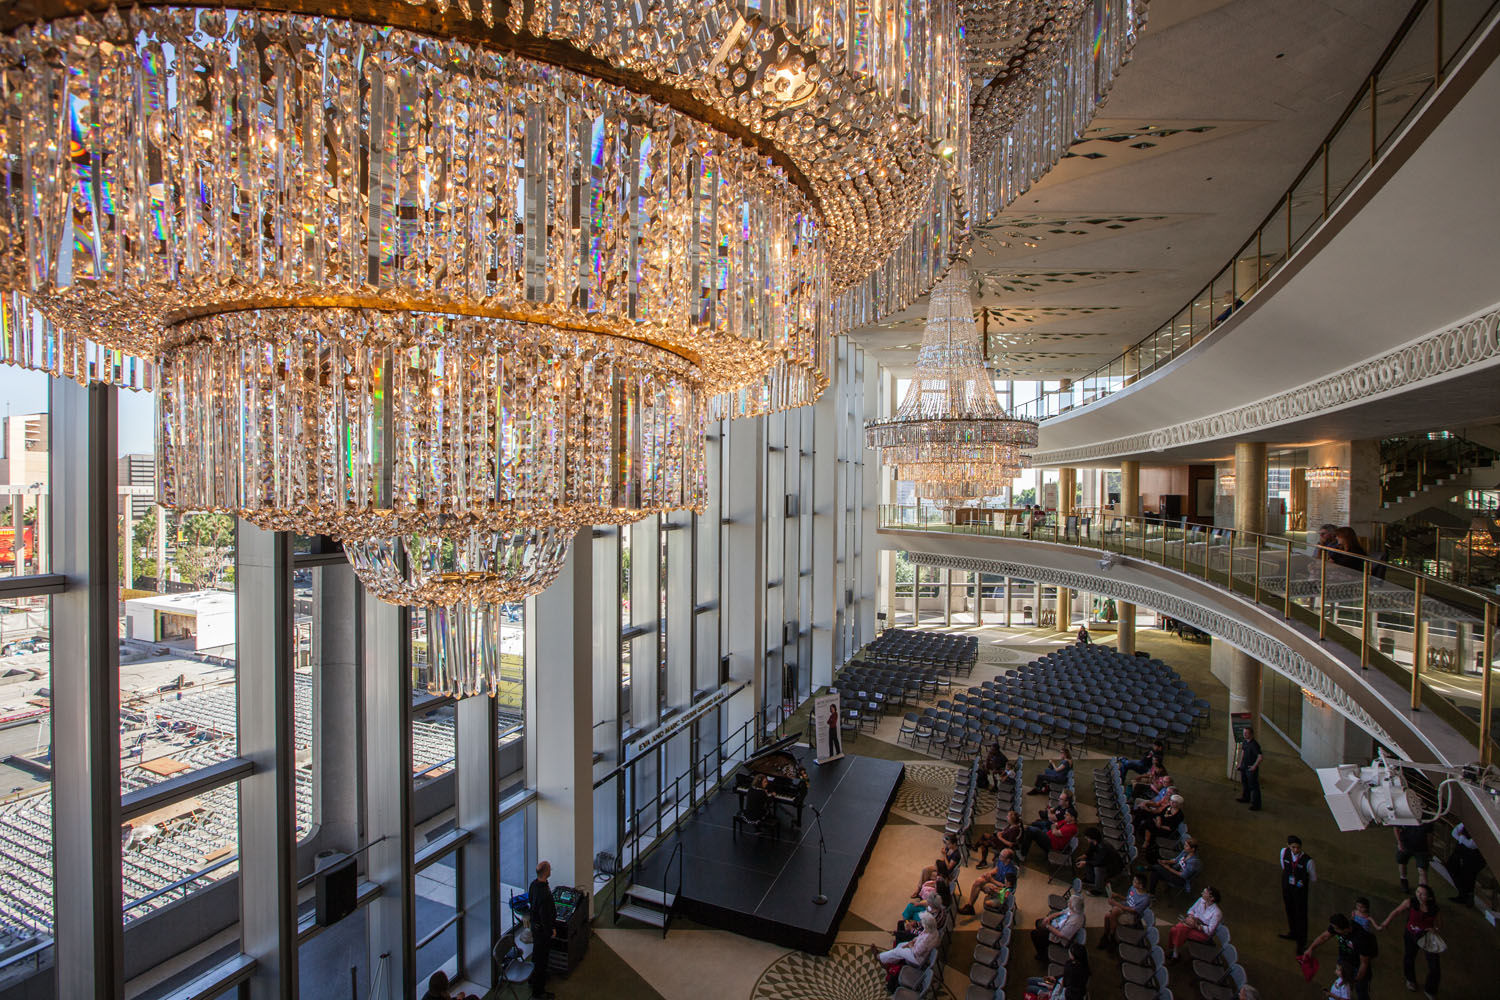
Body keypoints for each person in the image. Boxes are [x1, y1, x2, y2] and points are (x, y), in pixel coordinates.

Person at [1380, 882, 1442, 998]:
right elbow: (1397, 911)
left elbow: (1439, 925)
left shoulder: (1434, 909)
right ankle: (1410, 979)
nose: (1418, 895)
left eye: (1422, 894)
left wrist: (1435, 929)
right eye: (1418, 892)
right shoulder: (1410, 902)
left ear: (1429, 897)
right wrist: (1386, 922)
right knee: (1409, 957)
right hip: (1411, 935)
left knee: (1435, 967)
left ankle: (1430, 989)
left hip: (1427, 937)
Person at [1303, 912, 1377, 1000]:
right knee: (1343, 988)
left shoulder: (1361, 938)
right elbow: (1324, 936)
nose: (1333, 930)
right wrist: (1311, 948)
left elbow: (1364, 964)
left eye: (1335, 929)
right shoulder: (1337, 927)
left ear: (1344, 929)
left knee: (1361, 991)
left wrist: (1355, 980)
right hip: (1344, 961)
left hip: (1357, 967)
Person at [1279, 834, 1318, 952]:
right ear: (1288, 846)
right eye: (1293, 847)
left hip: (1300, 891)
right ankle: (1293, 932)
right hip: (1287, 886)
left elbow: (1313, 878)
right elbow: (1283, 866)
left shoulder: (1308, 861)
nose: (1296, 850)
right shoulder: (1283, 852)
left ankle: (1301, 942)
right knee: (1289, 910)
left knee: (1300, 915)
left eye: (1298, 848)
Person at [1166, 886, 1222, 962]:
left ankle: (1175, 954)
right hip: (1191, 926)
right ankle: (1175, 953)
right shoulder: (1200, 900)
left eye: (1205, 893)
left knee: (1178, 930)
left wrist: (1196, 925)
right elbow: (1191, 910)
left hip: (1202, 933)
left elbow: (1209, 931)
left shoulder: (1217, 913)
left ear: (1211, 898)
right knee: (1176, 929)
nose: (1202, 893)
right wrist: (1191, 917)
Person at [874, 909, 938, 973]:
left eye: (922, 922)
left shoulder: (927, 938)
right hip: (916, 947)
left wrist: (910, 945)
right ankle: (888, 961)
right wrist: (913, 940)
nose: (920, 922)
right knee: (900, 945)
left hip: (917, 958)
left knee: (898, 950)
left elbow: (917, 952)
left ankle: (879, 957)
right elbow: (920, 936)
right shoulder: (932, 930)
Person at [527, 860, 556, 1000]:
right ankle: (538, 992)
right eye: (550, 869)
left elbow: (531, 902)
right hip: (542, 933)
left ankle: (532, 979)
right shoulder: (545, 894)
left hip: (535, 928)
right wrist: (550, 931)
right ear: (546, 872)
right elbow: (545, 917)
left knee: (536, 955)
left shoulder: (533, 885)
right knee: (541, 961)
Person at [1099, 873, 1151, 949]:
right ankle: (1107, 936)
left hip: (1132, 916)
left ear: (1141, 886)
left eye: (1135, 881)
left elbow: (1132, 911)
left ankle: (1111, 937)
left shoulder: (1145, 899)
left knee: (1114, 911)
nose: (1132, 882)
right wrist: (1117, 895)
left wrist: (1116, 903)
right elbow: (1128, 899)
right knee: (1107, 916)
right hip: (1125, 907)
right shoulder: (1133, 888)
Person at [1030, 894, 1086, 962]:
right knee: (1038, 922)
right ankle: (1044, 943)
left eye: (1070, 902)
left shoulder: (1075, 921)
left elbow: (1061, 934)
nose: (1068, 902)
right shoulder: (1073, 909)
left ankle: (1042, 955)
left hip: (1061, 939)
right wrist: (1049, 917)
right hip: (1058, 925)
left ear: (1073, 907)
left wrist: (1048, 926)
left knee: (1034, 934)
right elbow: (1061, 912)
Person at [959, 850, 1018, 914]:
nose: (999, 857)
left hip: (1002, 891)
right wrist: (987, 873)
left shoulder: (1010, 872)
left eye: (1002, 856)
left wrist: (992, 881)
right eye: (1000, 855)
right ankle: (969, 906)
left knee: (986, 901)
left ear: (1008, 860)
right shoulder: (1001, 861)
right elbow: (997, 869)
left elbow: (1006, 886)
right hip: (996, 882)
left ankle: (997, 902)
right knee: (978, 881)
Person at [1076, 827, 1122, 895]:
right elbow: (1090, 851)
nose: (1086, 839)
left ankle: (1098, 889)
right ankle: (1090, 879)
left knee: (1098, 868)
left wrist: (1085, 862)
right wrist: (1084, 856)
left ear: (1092, 837)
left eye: (1087, 837)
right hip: (1105, 862)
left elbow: (1100, 862)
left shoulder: (1103, 847)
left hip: (1112, 867)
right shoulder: (1095, 842)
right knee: (1088, 859)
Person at [1446, 821, 1483, 904]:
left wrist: (1461, 837)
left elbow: (1472, 845)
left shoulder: (1483, 827)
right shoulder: (1468, 821)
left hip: (1475, 856)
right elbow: (1454, 832)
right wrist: (1462, 838)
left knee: (1469, 875)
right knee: (1452, 866)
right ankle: (1465, 895)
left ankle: (1466, 897)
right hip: (1462, 851)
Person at [1394, 819, 1434, 892]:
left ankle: (1423, 890)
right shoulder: (1405, 813)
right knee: (1402, 863)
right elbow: (1396, 827)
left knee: (1422, 870)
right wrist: (1399, 842)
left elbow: (1429, 835)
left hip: (1421, 848)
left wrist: (1429, 850)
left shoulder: (1427, 818)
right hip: (1406, 845)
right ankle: (1403, 879)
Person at [1237, 728, 1263, 810]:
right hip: (1244, 767)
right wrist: (1240, 764)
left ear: (1251, 734)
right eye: (1244, 733)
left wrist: (1254, 766)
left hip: (1250, 769)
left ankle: (1256, 805)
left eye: (1246, 733)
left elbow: (1260, 757)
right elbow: (1243, 753)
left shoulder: (1254, 745)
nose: (1244, 735)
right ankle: (1246, 798)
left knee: (1254, 787)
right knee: (1245, 784)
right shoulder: (1245, 742)